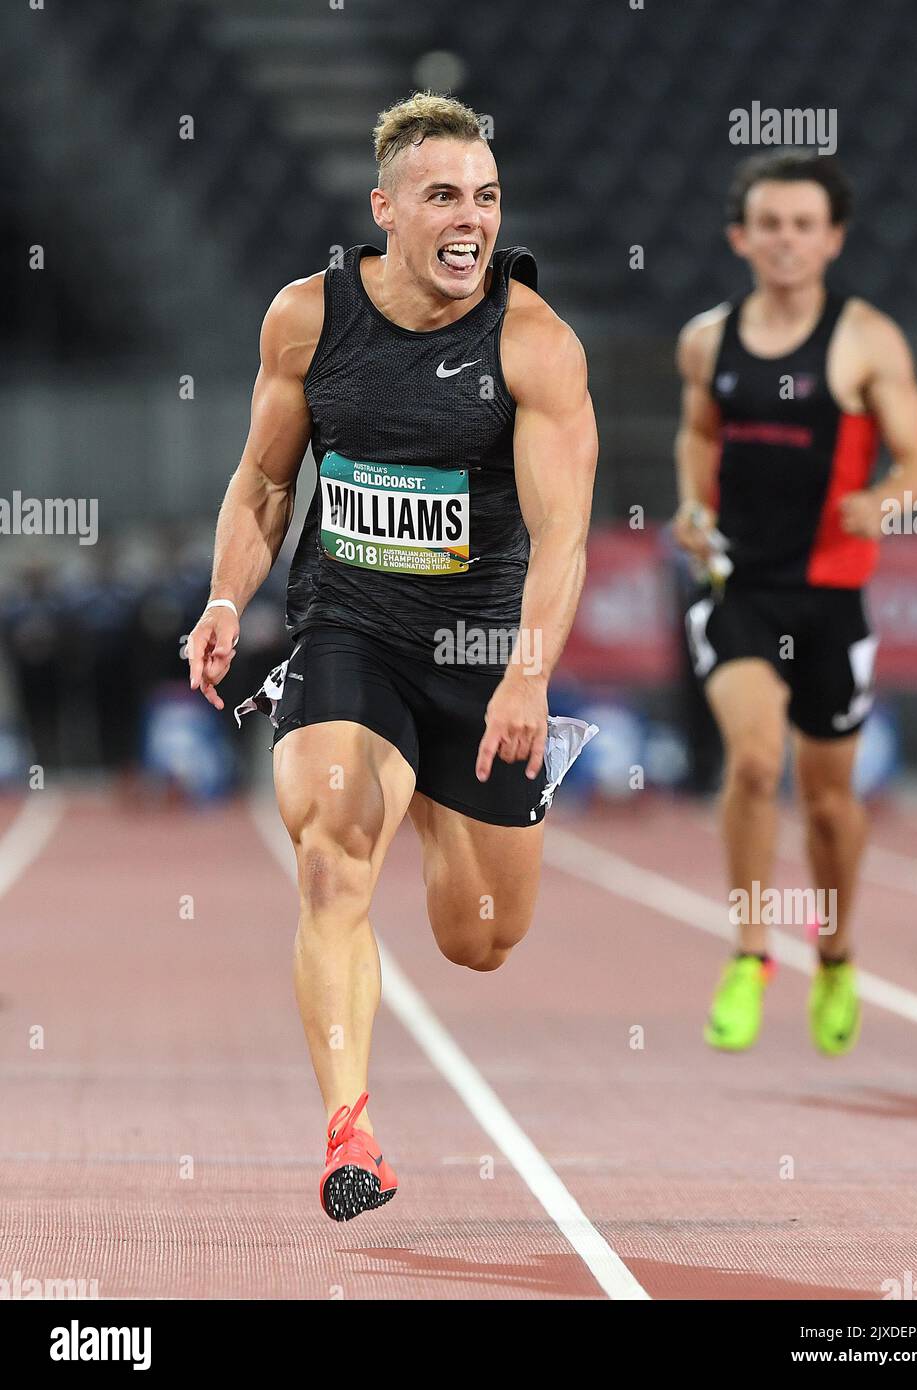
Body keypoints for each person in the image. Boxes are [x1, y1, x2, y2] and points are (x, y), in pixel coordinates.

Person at [186, 93, 598, 1220]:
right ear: (385, 211)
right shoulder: (305, 320)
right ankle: (347, 1131)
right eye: (443, 197)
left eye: (486, 197)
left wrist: (527, 673)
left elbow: (564, 531)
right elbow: (267, 480)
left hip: (477, 660)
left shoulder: (534, 343)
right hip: (346, 635)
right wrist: (228, 594)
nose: (470, 220)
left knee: (479, 940)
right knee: (330, 855)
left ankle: (430, 779)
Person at [672, 151, 917, 1056]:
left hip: (832, 598)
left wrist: (887, 502)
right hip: (741, 588)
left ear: (832, 238)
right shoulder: (708, 339)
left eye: (803, 225)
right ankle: (752, 952)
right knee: (752, 763)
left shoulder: (868, 339)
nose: (786, 241)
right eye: (769, 225)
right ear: (741, 236)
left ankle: (835, 950)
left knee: (829, 805)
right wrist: (692, 506)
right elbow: (697, 431)